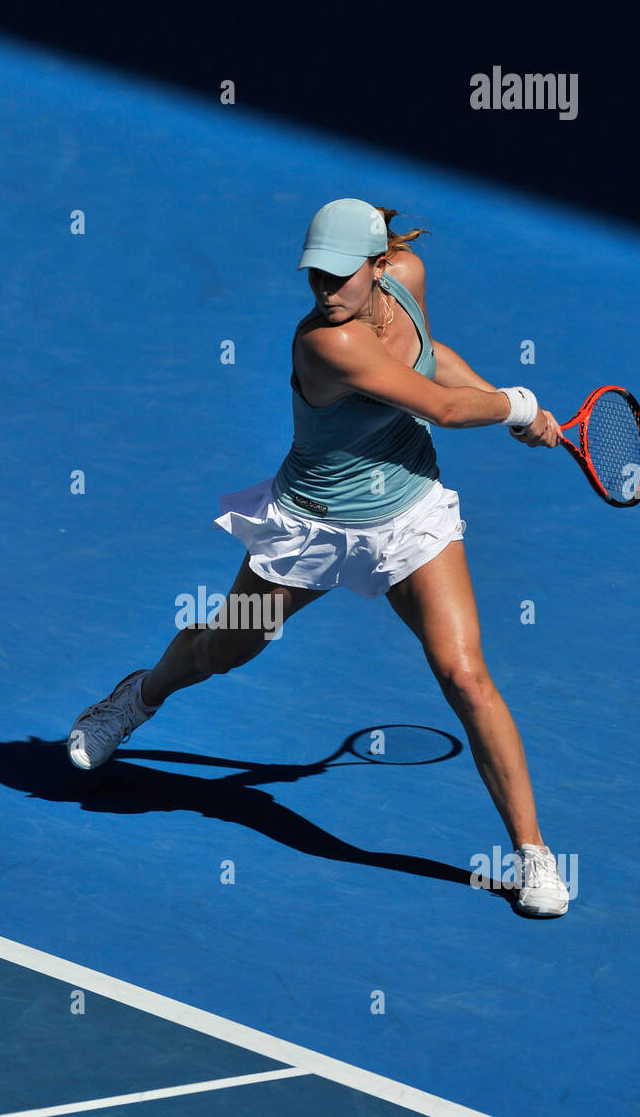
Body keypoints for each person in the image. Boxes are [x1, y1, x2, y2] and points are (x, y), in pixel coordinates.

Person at [68, 198, 569, 917]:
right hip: (310, 527)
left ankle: (532, 857)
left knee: (465, 676)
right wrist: (516, 406)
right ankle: (135, 697)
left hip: (410, 519)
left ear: (377, 266)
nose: (325, 292)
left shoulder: (408, 277)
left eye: (340, 276)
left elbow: (432, 358)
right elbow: (442, 408)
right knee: (222, 648)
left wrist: (493, 394)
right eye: (314, 278)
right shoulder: (323, 344)